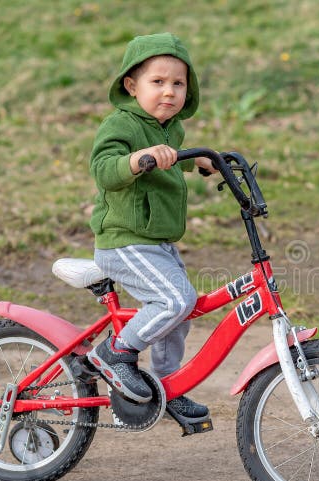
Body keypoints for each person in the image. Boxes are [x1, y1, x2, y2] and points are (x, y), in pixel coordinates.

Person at [85, 33, 217, 419]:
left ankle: (167, 386)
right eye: (157, 82)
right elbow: (104, 169)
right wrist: (136, 159)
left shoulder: (170, 128)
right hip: (124, 240)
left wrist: (201, 160)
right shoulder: (121, 125)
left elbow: (171, 155)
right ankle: (116, 351)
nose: (169, 92)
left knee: (179, 314)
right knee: (174, 301)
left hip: (155, 242)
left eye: (178, 84)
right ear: (132, 85)